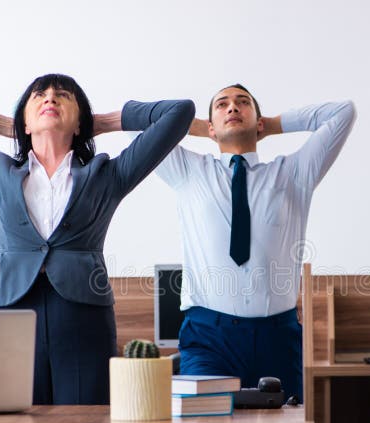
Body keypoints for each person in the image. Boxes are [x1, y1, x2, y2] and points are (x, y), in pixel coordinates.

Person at [0, 74, 195, 405]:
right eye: (39, 96)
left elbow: (180, 112)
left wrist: (105, 122)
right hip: (13, 313)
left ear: (80, 123)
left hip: (83, 317)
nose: (50, 98)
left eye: (63, 96)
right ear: (24, 119)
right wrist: (6, 124)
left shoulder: (105, 175)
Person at [149, 83, 356, 400]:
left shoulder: (293, 174)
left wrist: (270, 125)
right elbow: (142, 124)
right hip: (208, 337)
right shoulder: (189, 172)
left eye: (243, 102)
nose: (233, 107)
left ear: (258, 121)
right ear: (209, 128)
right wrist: (201, 128)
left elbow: (343, 113)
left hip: (277, 336)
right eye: (222, 104)